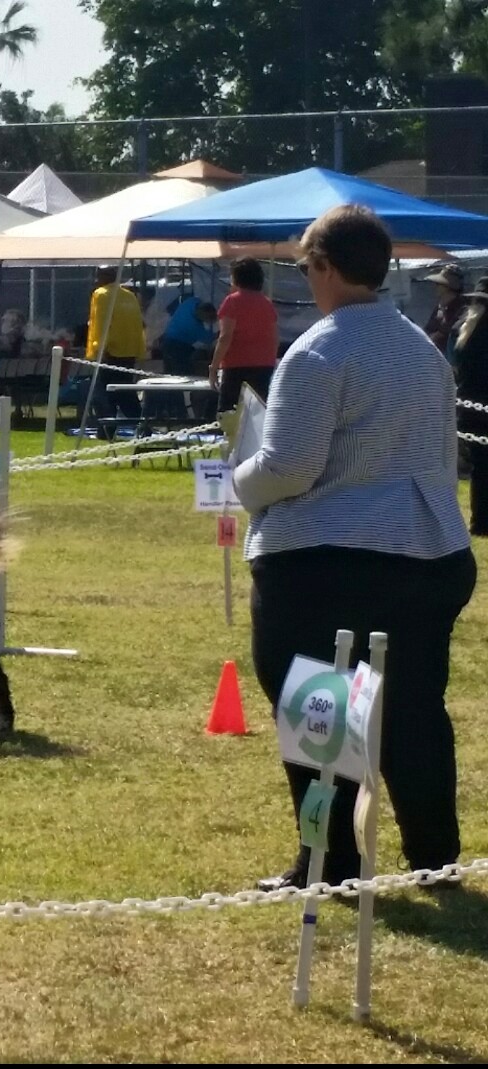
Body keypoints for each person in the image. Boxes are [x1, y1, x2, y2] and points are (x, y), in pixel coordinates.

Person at [233, 205, 475, 895]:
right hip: (428, 551)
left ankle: (328, 858)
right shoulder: (424, 351)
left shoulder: (317, 352)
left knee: (318, 709)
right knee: (415, 711)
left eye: (308, 267)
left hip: (326, 561)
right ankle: (435, 857)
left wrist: (240, 482)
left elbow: (290, 466)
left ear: (325, 267)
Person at [209, 257, 279, 415]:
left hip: (236, 366)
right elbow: (274, 338)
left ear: (236, 278)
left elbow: (225, 337)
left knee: (229, 413)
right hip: (263, 365)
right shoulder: (267, 303)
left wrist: (214, 367)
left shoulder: (232, 301)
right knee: (258, 413)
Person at [84, 264, 146, 422]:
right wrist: (140, 349)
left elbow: (101, 323)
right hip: (129, 352)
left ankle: (108, 427)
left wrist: (99, 347)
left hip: (110, 351)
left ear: (104, 277)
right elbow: (138, 324)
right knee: (124, 392)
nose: (96, 280)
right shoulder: (130, 296)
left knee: (102, 394)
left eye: (99, 276)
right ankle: (140, 425)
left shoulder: (101, 294)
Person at [453, 275, 488, 535]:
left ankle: (479, 521)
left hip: (468, 407)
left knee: (479, 467)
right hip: (483, 403)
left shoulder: (461, 328)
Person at [154, 295, 217, 418]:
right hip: (178, 348)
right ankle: (180, 412)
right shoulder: (193, 326)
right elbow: (208, 339)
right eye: (207, 320)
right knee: (180, 379)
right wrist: (219, 333)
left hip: (167, 342)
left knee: (169, 377)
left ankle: (169, 410)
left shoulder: (191, 302)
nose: (207, 322)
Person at [420, 263, 468, 355]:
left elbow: (445, 332)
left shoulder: (461, 308)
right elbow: (428, 330)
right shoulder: (440, 306)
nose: (435, 287)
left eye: (439, 284)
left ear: (447, 287)